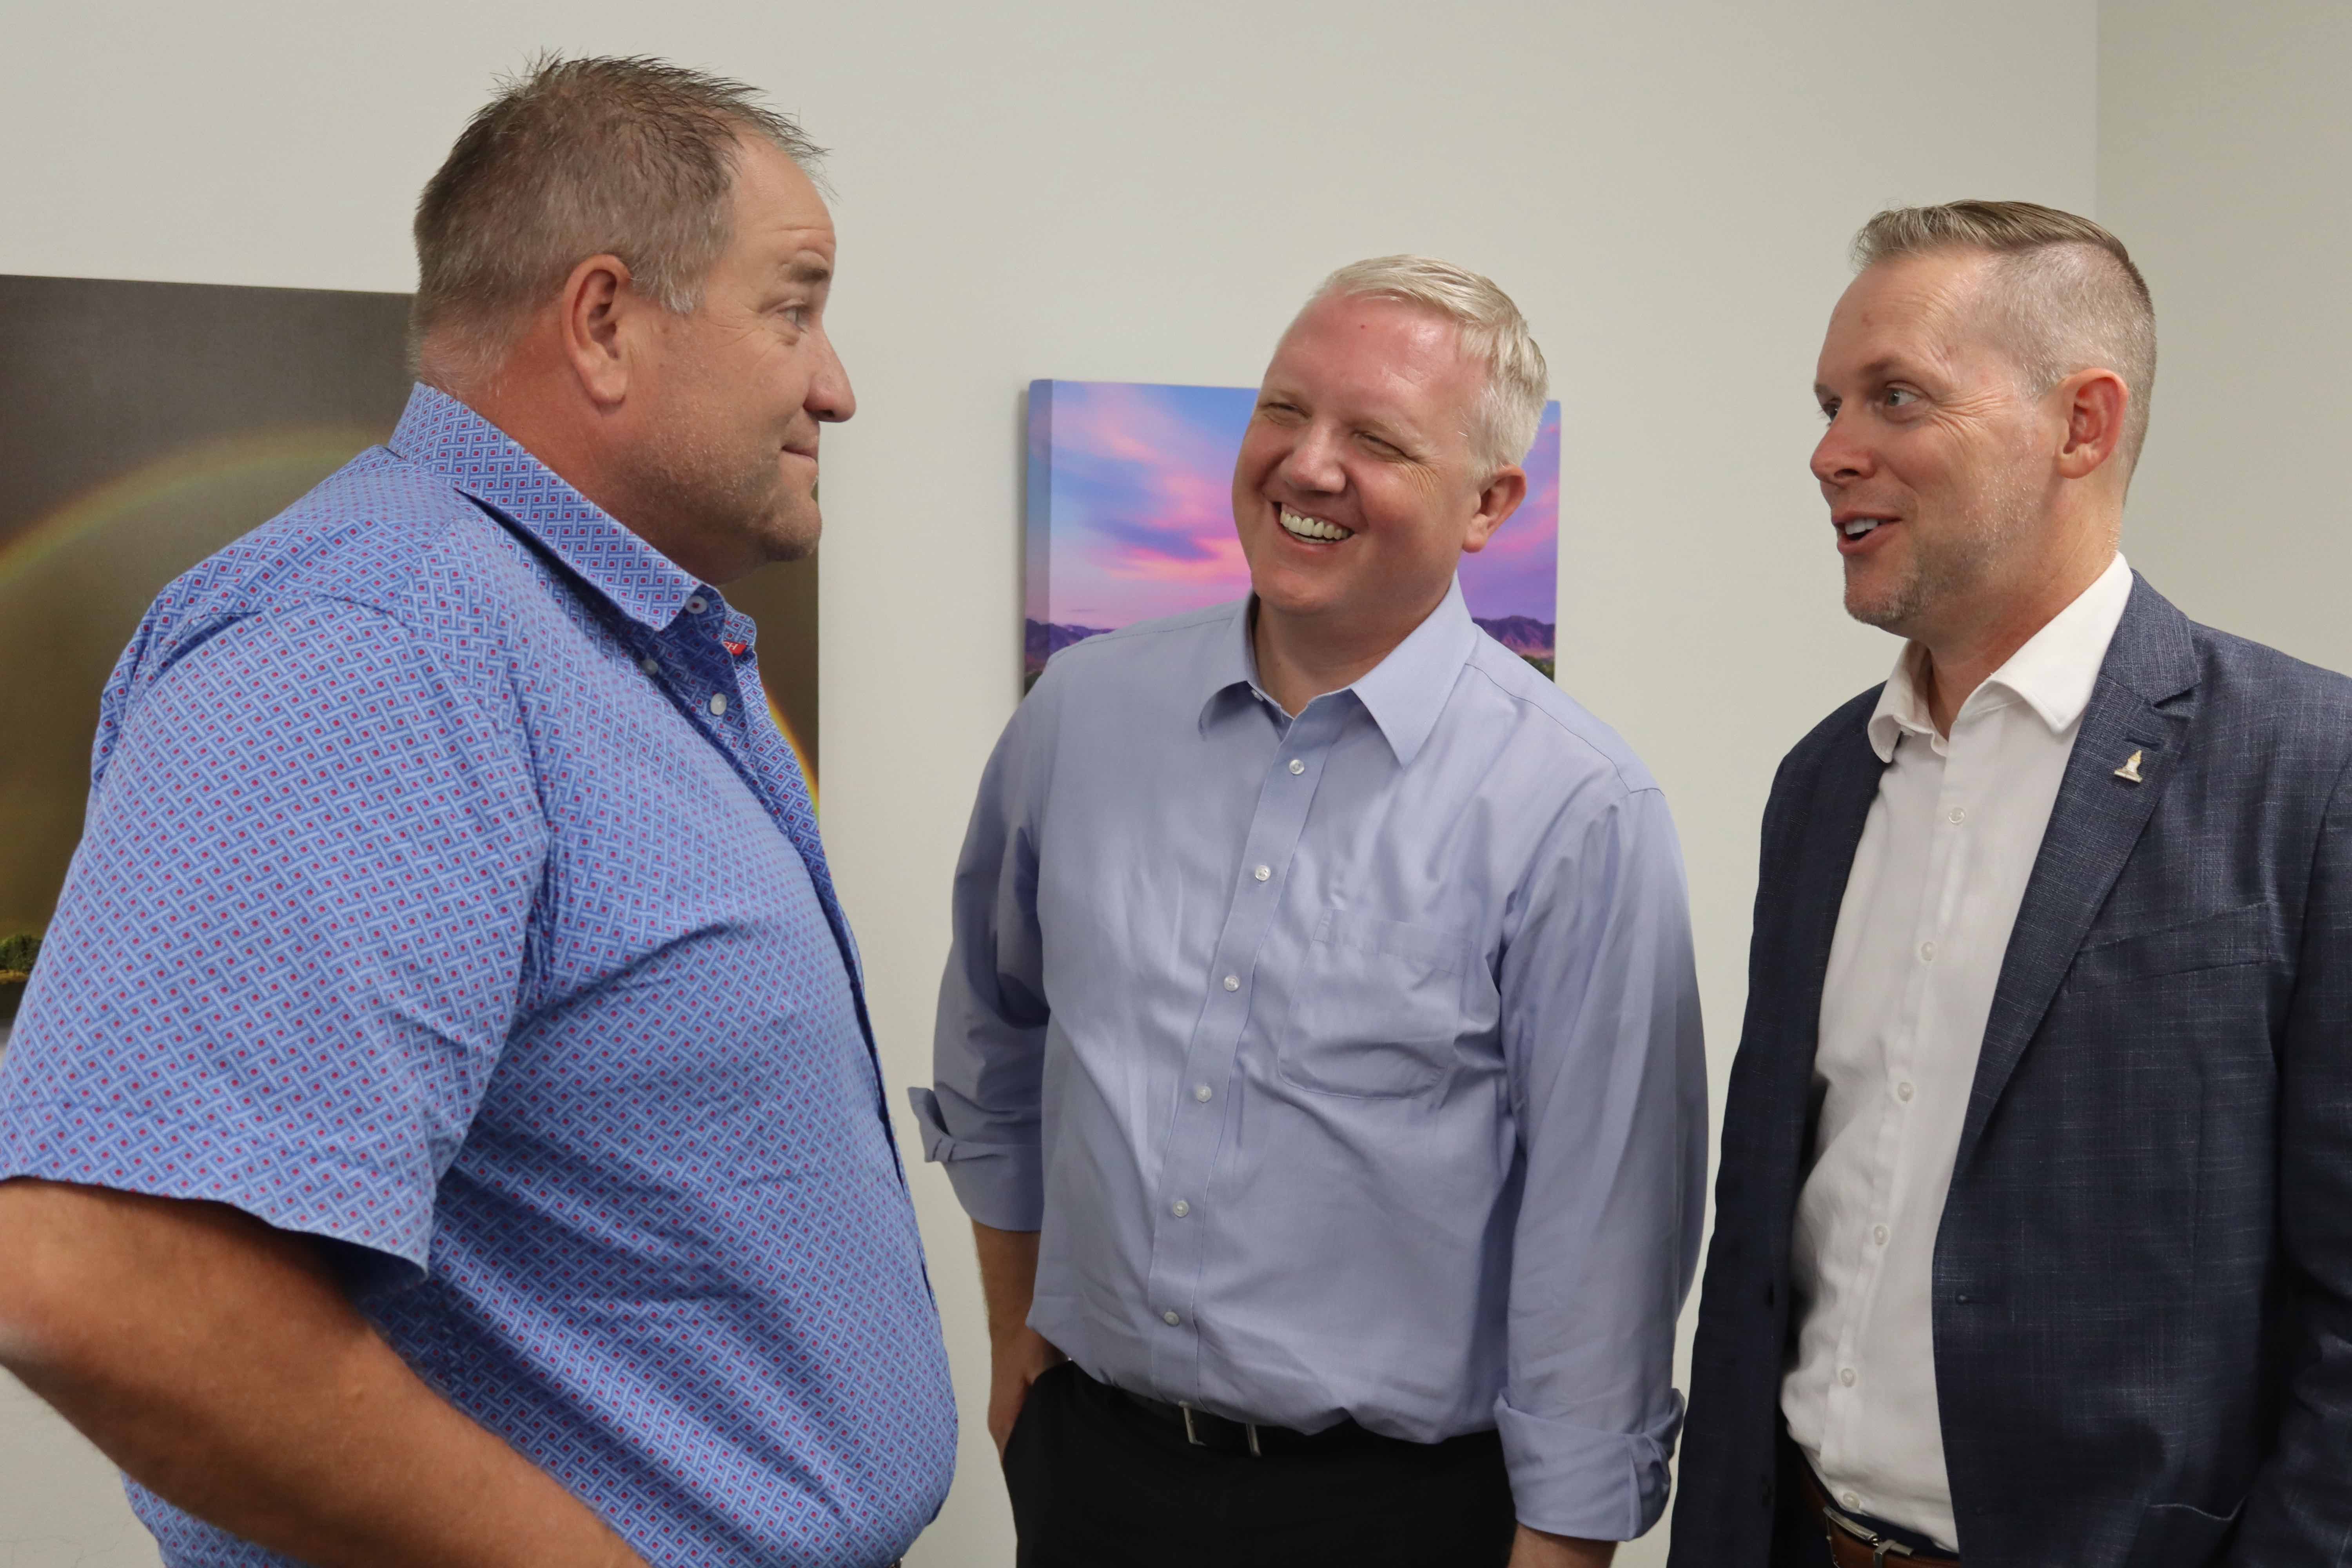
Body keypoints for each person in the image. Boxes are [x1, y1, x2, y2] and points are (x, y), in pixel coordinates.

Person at [0, 55, 955, 1568]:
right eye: (794, 309)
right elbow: (107, 1283)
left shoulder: (576, 645)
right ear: (604, 323)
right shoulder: (381, 637)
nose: (833, 384)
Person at [916, 256, 1709, 1567]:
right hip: (1093, 1468)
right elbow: (996, 1039)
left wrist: (1566, 1547)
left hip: (1402, 1518)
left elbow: (1607, 1241)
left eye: (1378, 440)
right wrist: (1015, 1343)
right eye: (1285, 410)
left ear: (1490, 504)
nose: (1308, 465)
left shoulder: (1578, 810)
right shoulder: (1083, 716)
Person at [1669, 200, 2352, 1568]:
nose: (1830, 451)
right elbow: (1767, 1238)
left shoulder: (2308, 772)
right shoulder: (1825, 783)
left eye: (1896, 396)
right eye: (1829, 404)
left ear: (2081, 425)